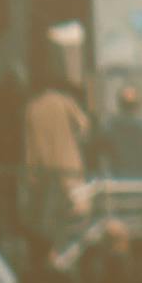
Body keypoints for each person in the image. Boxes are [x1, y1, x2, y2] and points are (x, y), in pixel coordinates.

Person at [17, 41, 90, 252]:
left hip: (40, 170)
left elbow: (28, 142)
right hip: (69, 168)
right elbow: (85, 128)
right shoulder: (65, 102)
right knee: (74, 215)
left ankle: (50, 254)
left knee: (43, 220)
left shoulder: (30, 107)